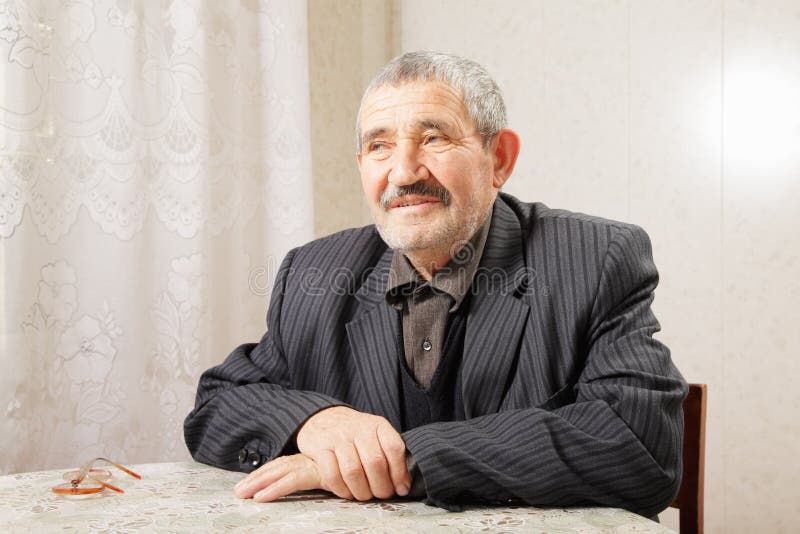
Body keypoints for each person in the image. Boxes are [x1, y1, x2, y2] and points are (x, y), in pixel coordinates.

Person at [184, 50, 687, 518]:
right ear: (362, 167)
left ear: (499, 160)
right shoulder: (312, 271)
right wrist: (312, 421)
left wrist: (406, 459)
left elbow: (639, 443)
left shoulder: (594, 257)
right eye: (379, 145)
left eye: (433, 138)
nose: (403, 171)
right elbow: (216, 404)